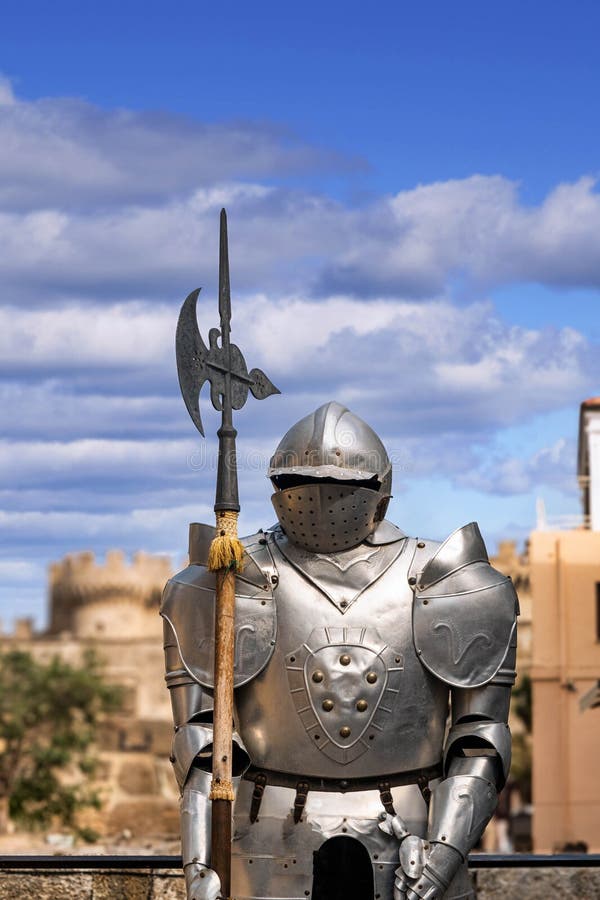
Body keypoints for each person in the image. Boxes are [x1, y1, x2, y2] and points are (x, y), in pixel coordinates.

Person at [161, 401, 518, 900]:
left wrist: (444, 852)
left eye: (345, 487)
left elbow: (479, 741)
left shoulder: (445, 580)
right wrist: (200, 864)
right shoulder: (228, 578)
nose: (321, 501)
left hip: (411, 838)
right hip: (266, 840)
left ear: (380, 494)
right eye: (300, 483)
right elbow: (202, 747)